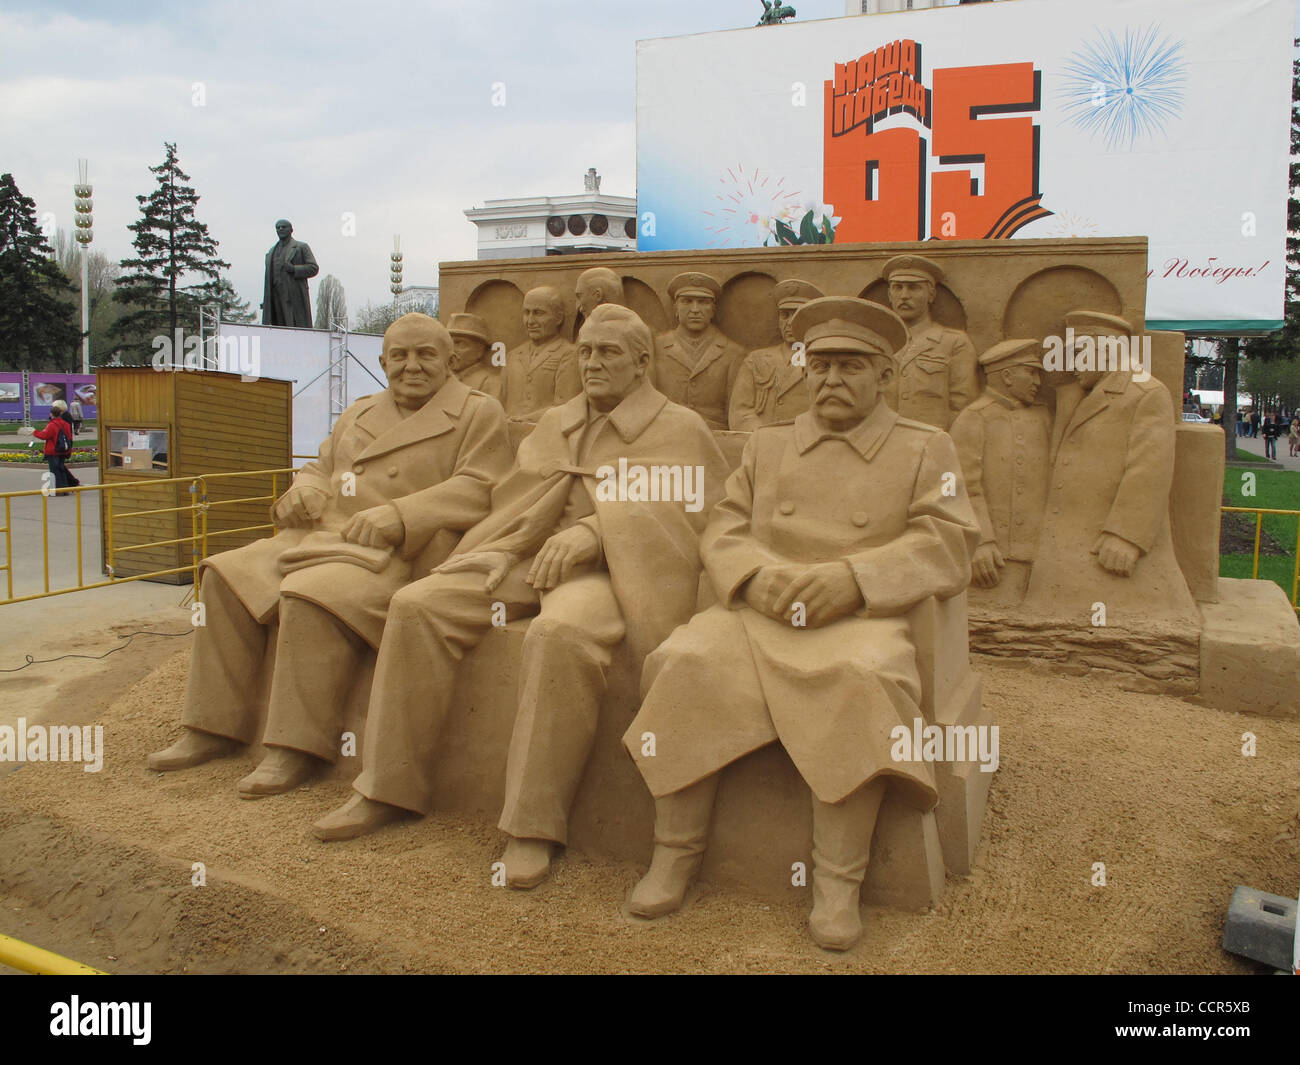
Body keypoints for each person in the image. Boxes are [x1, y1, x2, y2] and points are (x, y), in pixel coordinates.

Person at [313, 304, 730, 897]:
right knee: (418, 604)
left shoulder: (679, 427)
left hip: (612, 574)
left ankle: (534, 826)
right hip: (522, 557)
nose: (592, 363)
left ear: (643, 361)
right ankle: (386, 786)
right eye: (586, 351)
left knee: (559, 636)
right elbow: (514, 495)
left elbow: (698, 520)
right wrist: (508, 546)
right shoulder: (557, 422)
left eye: (608, 352)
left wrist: (595, 534)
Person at [623, 296, 980, 951]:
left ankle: (838, 882)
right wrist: (756, 575)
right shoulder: (769, 444)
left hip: (864, 621)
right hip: (759, 611)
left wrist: (855, 578)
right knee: (687, 660)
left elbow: (950, 539)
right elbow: (723, 525)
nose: (831, 379)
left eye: (850, 365)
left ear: (885, 376)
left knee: (860, 679)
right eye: (820, 365)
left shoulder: (927, 448)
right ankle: (674, 852)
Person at [147, 314, 512, 791]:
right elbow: (321, 466)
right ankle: (212, 724)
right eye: (400, 356)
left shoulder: (476, 412)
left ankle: (294, 748)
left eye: (426, 355)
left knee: (309, 595)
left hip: (398, 554)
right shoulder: (359, 412)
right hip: (323, 535)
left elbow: (483, 486)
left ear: (449, 360)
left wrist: (401, 514)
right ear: (383, 362)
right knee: (224, 575)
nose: (412, 366)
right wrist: (305, 489)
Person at [1021, 310, 1198, 630]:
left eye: (1076, 353)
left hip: (1107, 544)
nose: (1070, 364)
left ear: (1103, 350)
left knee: (1120, 629)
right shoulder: (1078, 393)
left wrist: (1126, 536)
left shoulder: (1145, 392)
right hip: (1066, 541)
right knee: (1053, 626)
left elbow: (1150, 471)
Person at [948, 339, 1051, 607]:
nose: (1037, 382)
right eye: (1030, 372)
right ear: (1006, 376)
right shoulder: (974, 418)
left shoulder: (1042, 418)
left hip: (1039, 554)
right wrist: (980, 543)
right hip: (994, 560)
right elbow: (959, 488)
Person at [879, 254, 979, 430]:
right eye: (897, 288)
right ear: (889, 294)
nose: (904, 296)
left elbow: (963, 407)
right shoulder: (877, 343)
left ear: (931, 294)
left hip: (932, 444)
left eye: (913, 288)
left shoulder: (954, 342)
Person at [653, 271, 747, 430]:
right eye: (687, 301)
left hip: (714, 437)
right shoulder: (656, 347)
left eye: (703, 302)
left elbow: (736, 411)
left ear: (713, 309)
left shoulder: (734, 353)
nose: (695, 309)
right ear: (675, 308)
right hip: (665, 433)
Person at [728, 279, 824, 431]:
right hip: (759, 442)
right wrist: (764, 436)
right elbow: (740, 412)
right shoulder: (756, 360)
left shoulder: (822, 360)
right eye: (785, 315)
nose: (790, 322)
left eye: (798, 314)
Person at [501, 286, 581, 421]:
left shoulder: (569, 354)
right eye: (527, 313)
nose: (530, 321)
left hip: (546, 435)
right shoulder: (512, 356)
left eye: (538, 313)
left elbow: (566, 406)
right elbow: (500, 401)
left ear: (559, 318)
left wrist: (526, 419)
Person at [261, 219, 319, 328]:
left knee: (295, 328)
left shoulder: (301, 247)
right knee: (277, 328)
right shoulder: (271, 252)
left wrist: (294, 269)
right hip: (275, 296)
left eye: (283, 227)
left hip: (294, 296)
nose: (280, 229)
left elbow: (313, 268)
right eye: (278, 227)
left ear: (291, 230)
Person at [24, 400, 77, 496]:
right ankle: (64, 490)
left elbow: (45, 435)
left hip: (53, 451)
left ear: (52, 414)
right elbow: (69, 437)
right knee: (61, 469)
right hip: (63, 450)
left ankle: (56, 490)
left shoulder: (52, 425)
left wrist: (34, 432)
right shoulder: (66, 424)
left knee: (54, 471)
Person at [446, 312, 503, 402]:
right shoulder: (442, 379)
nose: (452, 351)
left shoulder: (490, 382)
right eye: (449, 343)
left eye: (460, 344)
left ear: (479, 350)